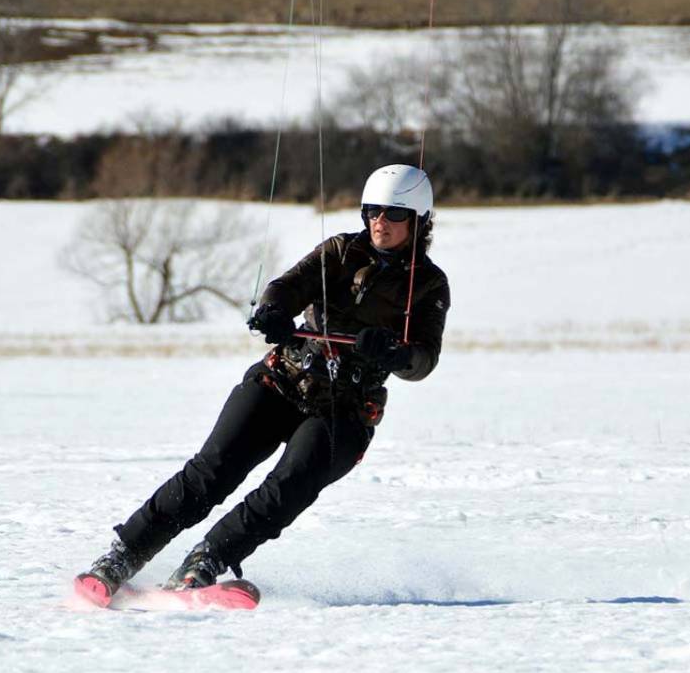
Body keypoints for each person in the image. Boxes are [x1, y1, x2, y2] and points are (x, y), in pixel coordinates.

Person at [76, 164, 450, 603]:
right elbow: (288, 286)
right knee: (211, 472)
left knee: (288, 487)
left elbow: (424, 359)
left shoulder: (428, 284)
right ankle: (121, 557)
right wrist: (275, 310)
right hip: (280, 381)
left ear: (419, 219)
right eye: (371, 210)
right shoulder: (339, 251)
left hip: (344, 411)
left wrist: (394, 353)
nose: (379, 222)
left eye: (393, 213)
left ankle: (206, 562)